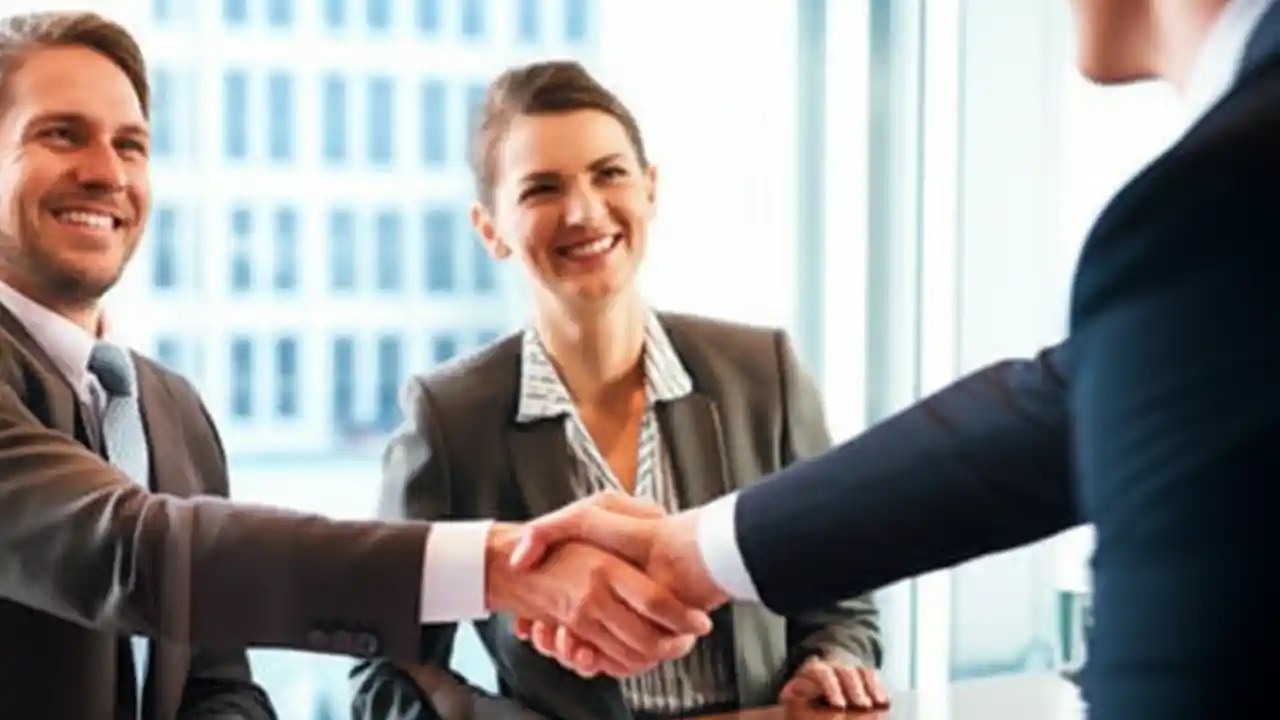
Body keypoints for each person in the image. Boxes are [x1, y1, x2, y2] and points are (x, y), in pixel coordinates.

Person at [513, 0, 1280, 717]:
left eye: (609, 173)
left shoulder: (1218, 196)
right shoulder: (1228, 191)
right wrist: (689, 551)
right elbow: (1064, 413)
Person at [0, 14, 711, 717]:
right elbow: (133, 553)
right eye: (60, 134)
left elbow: (216, 685)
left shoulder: (170, 410)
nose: (106, 173)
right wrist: (498, 566)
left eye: (131, 146)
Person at [349, 60, 886, 720]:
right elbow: (386, 672)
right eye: (542, 189)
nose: (583, 210)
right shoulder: (449, 418)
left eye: (609, 174)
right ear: (490, 229)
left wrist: (829, 665)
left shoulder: (762, 373)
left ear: (650, 189)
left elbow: (839, 601)